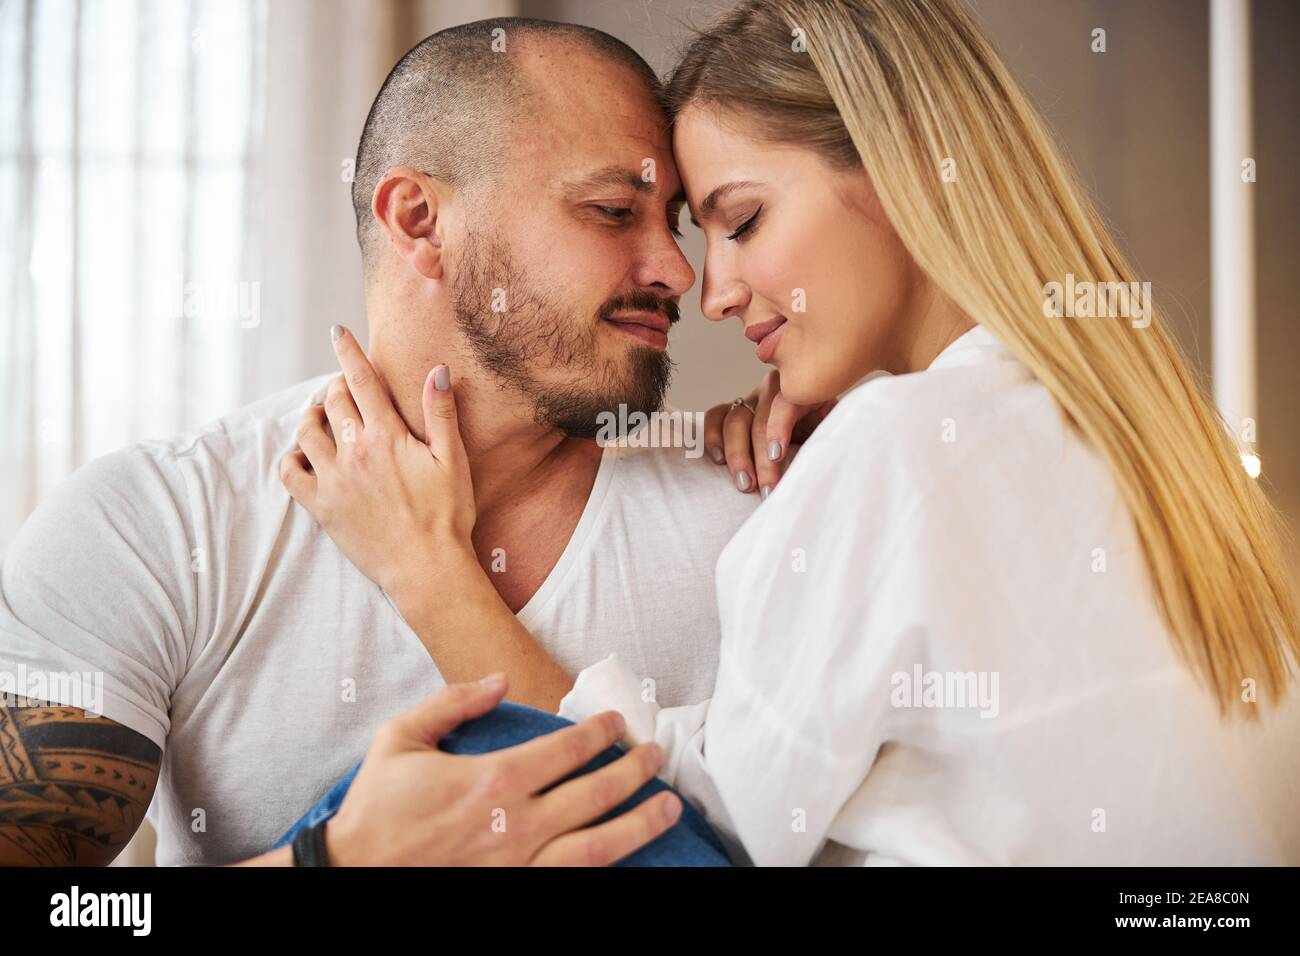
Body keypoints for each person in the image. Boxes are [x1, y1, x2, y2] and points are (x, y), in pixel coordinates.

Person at [282, 0, 1300, 866]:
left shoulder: (898, 446)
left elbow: (673, 822)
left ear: (903, 171)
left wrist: (426, 568)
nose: (707, 289)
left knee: (432, 781)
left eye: (743, 219)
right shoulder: (1161, 439)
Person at [0, 18, 777, 866]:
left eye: (673, 222)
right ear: (419, 219)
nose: (677, 269)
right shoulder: (155, 529)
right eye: (612, 211)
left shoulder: (761, 511)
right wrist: (331, 860)